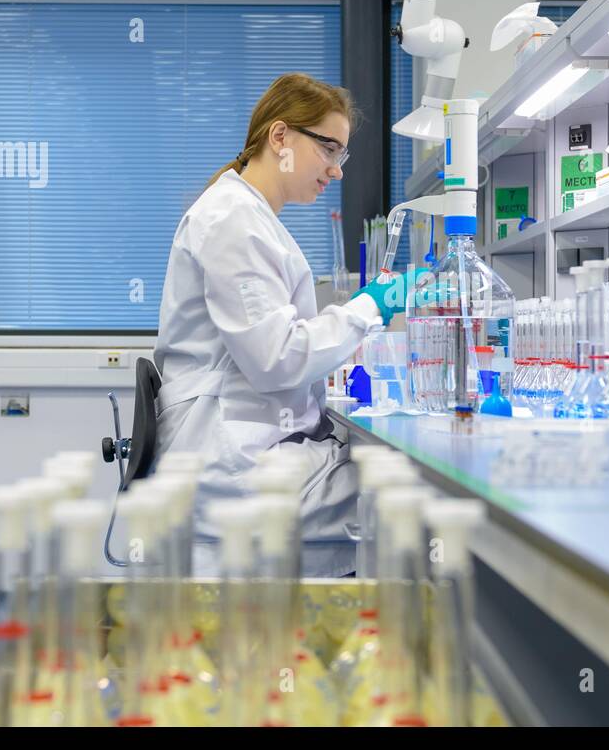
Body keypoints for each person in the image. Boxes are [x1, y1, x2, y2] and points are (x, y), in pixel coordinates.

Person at [152, 72, 419, 577]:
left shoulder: (251, 218)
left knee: (392, 488)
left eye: (343, 155)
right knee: (407, 498)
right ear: (280, 137)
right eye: (329, 149)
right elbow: (277, 359)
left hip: (246, 444)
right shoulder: (233, 220)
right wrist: (368, 307)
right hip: (231, 462)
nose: (337, 170)